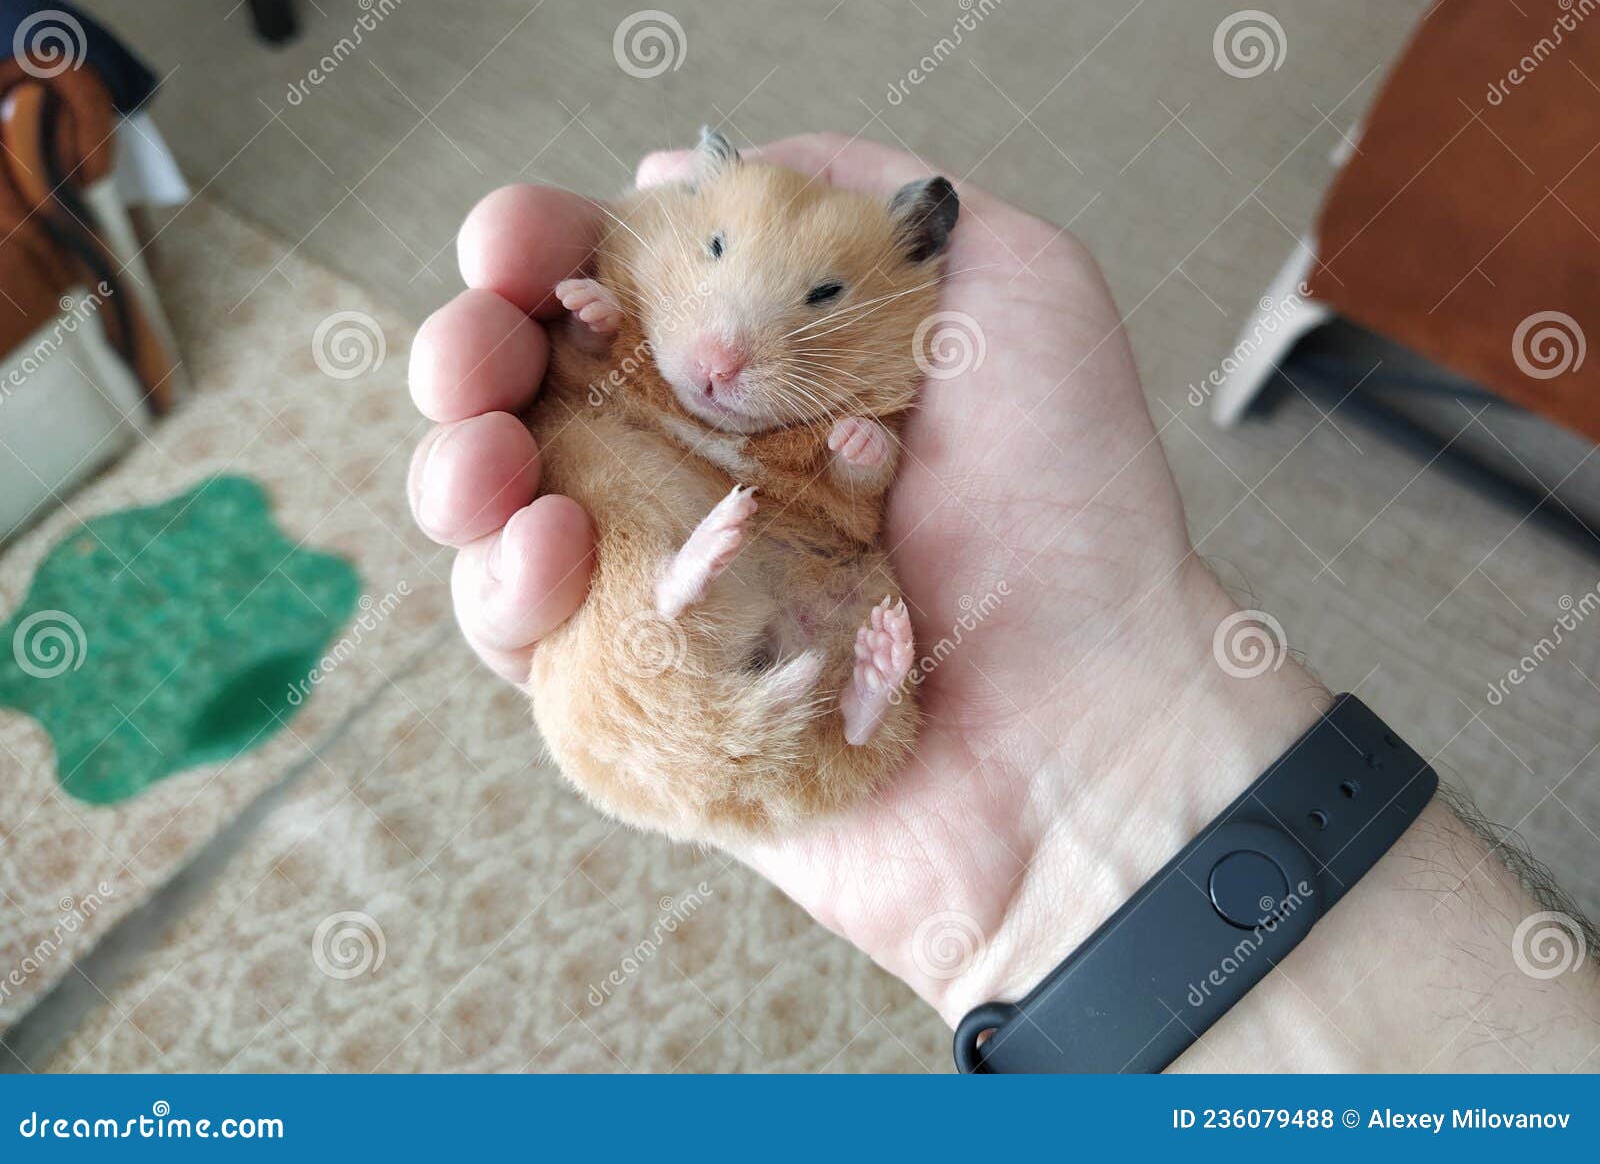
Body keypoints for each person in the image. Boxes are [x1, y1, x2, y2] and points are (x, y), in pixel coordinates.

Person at [407, 132, 1599, 1072]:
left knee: (818, 596)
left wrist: (860, 465)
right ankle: (697, 612)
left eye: (818, 298)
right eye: (713, 261)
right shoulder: (634, 296)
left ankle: (790, 668)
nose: (726, 350)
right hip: (692, 607)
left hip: (795, 594)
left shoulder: (868, 396)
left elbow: (849, 506)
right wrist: (605, 327)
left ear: (911, 262)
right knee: (594, 504)